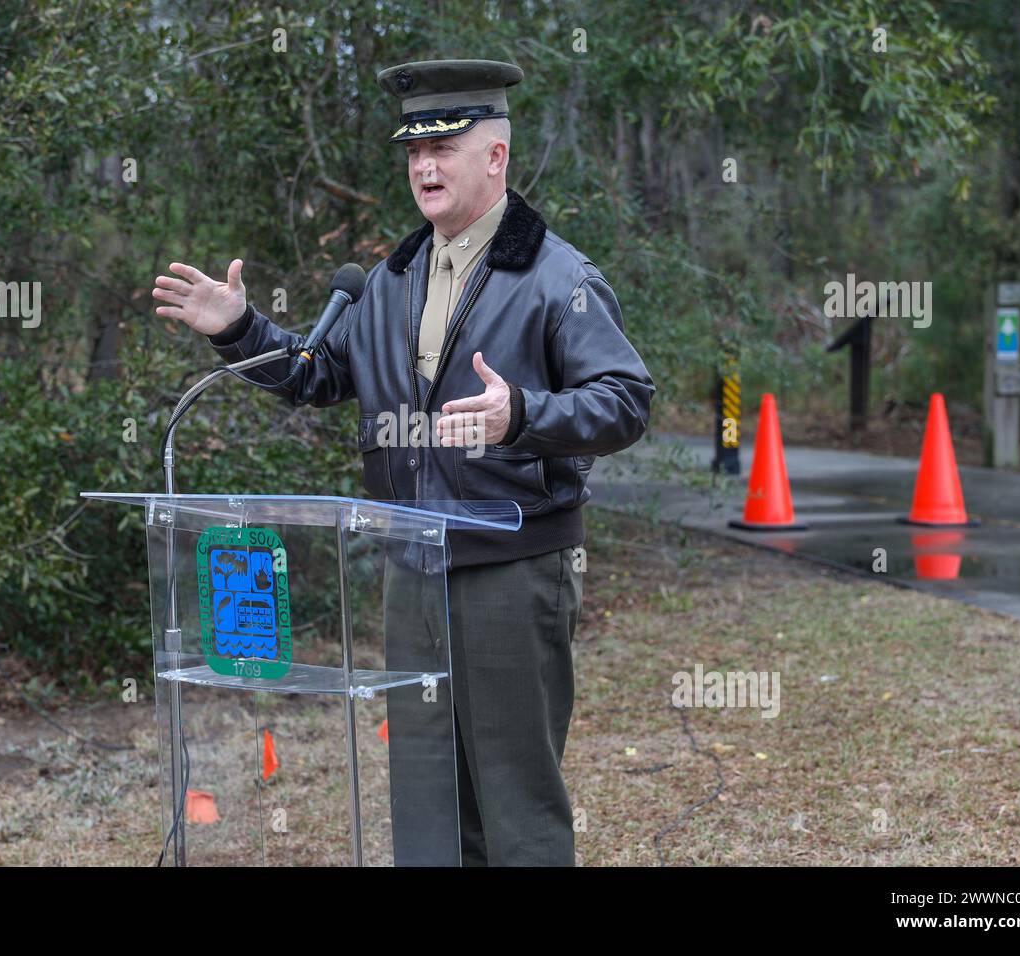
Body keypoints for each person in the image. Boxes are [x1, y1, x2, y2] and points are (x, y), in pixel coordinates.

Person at [152, 59, 655, 866]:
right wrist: (240, 329)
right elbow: (319, 372)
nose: (424, 166)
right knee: (425, 790)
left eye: (445, 147)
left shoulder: (559, 278)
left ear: (494, 156)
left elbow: (626, 399)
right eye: (414, 152)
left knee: (514, 797)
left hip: (510, 564)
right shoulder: (391, 280)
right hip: (410, 568)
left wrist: (521, 415)